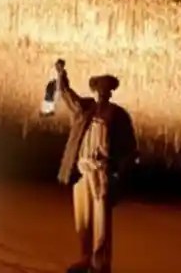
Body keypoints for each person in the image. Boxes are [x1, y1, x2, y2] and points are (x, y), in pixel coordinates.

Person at [54, 60, 137, 273]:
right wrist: (61, 76)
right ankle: (85, 257)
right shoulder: (86, 109)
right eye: (100, 89)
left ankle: (100, 264)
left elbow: (129, 147)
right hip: (82, 171)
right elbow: (68, 96)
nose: (102, 93)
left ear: (110, 92)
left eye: (106, 90)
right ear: (95, 90)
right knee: (83, 218)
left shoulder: (118, 115)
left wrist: (119, 172)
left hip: (101, 171)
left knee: (101, 220)